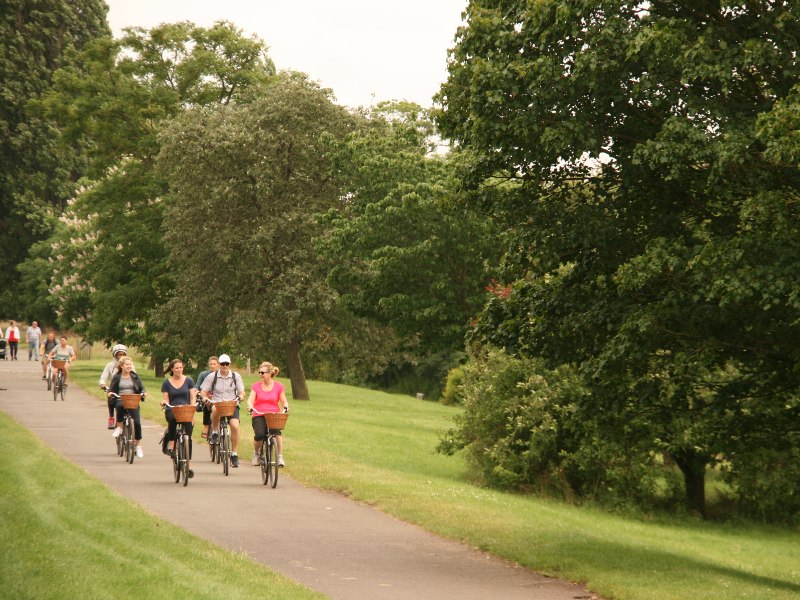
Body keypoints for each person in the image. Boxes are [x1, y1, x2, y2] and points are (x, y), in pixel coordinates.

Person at [200, 353, 245, 468]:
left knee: (235, 426)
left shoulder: (236, 376)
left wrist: (241, 396)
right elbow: (203, 391)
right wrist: (204, 397)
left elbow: (241, 391)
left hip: (232, 404)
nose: (224, 366)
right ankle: (215, 431)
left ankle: (234, 454)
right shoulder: (212, 376)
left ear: (229, 364)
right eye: (222, 364)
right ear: (219, 364)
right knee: (215, 409)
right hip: (218, 402)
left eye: (227, 364)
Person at [246, 361, 289, 467]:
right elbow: (250, 399)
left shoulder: (278, 386)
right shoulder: (256, 386)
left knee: (277, 434)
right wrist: (250, 406)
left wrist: (286, 406)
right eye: (259, 372)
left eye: (262, 372)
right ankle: (256, 454)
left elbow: (284, 400)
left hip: (273, 414)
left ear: (270, 373)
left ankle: (279, 457)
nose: (260, 374)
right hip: (259, 414)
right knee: (260, 435)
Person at [160, 359, 196, 477]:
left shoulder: (189, 380)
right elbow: (166, 399)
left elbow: (192, 398)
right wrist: (164, 403)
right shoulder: (166, 383)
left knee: (188, 438)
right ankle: (171, 444)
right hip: (172, 409)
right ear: (172, 369)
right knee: (173, 419)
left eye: (181, 367)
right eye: (176, 368)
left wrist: (192, 412)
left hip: (186, 410)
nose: (179, 370)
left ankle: (188, 465)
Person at [108, 357, 146, 458]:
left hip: (133, 400)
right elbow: (111, 388)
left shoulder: (135, 376)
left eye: (130, 364)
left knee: (137, 423)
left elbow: (142, 387)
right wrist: (110, 393)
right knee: (120, 406)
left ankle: (138, 446)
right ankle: (119, 427)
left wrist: (143, 393)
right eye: (127, 364)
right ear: (121, 366)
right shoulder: (117, 377)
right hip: (120, 398)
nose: (129, 366)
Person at [99, 345, 135, 429]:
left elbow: (135, 376)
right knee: (111, 398)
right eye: (119, 354)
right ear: (115, 355)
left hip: (127, 390)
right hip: (115, 389)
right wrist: (102, 384)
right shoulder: (110, 366)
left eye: (123, 354)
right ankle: (111, 417)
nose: (121, 357)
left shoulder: (130, 365)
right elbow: (103, 377)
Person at [195, 356, 219, 440]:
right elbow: (197, 387)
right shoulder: (203, 374)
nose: (212, 366)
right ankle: (206, 426)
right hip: (206, 397)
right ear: (209, 365)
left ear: (218, 364)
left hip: (219, 398)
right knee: (207, 403)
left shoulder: (222, 374)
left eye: (214, 364)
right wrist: (198, 393)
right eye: (211, 364)